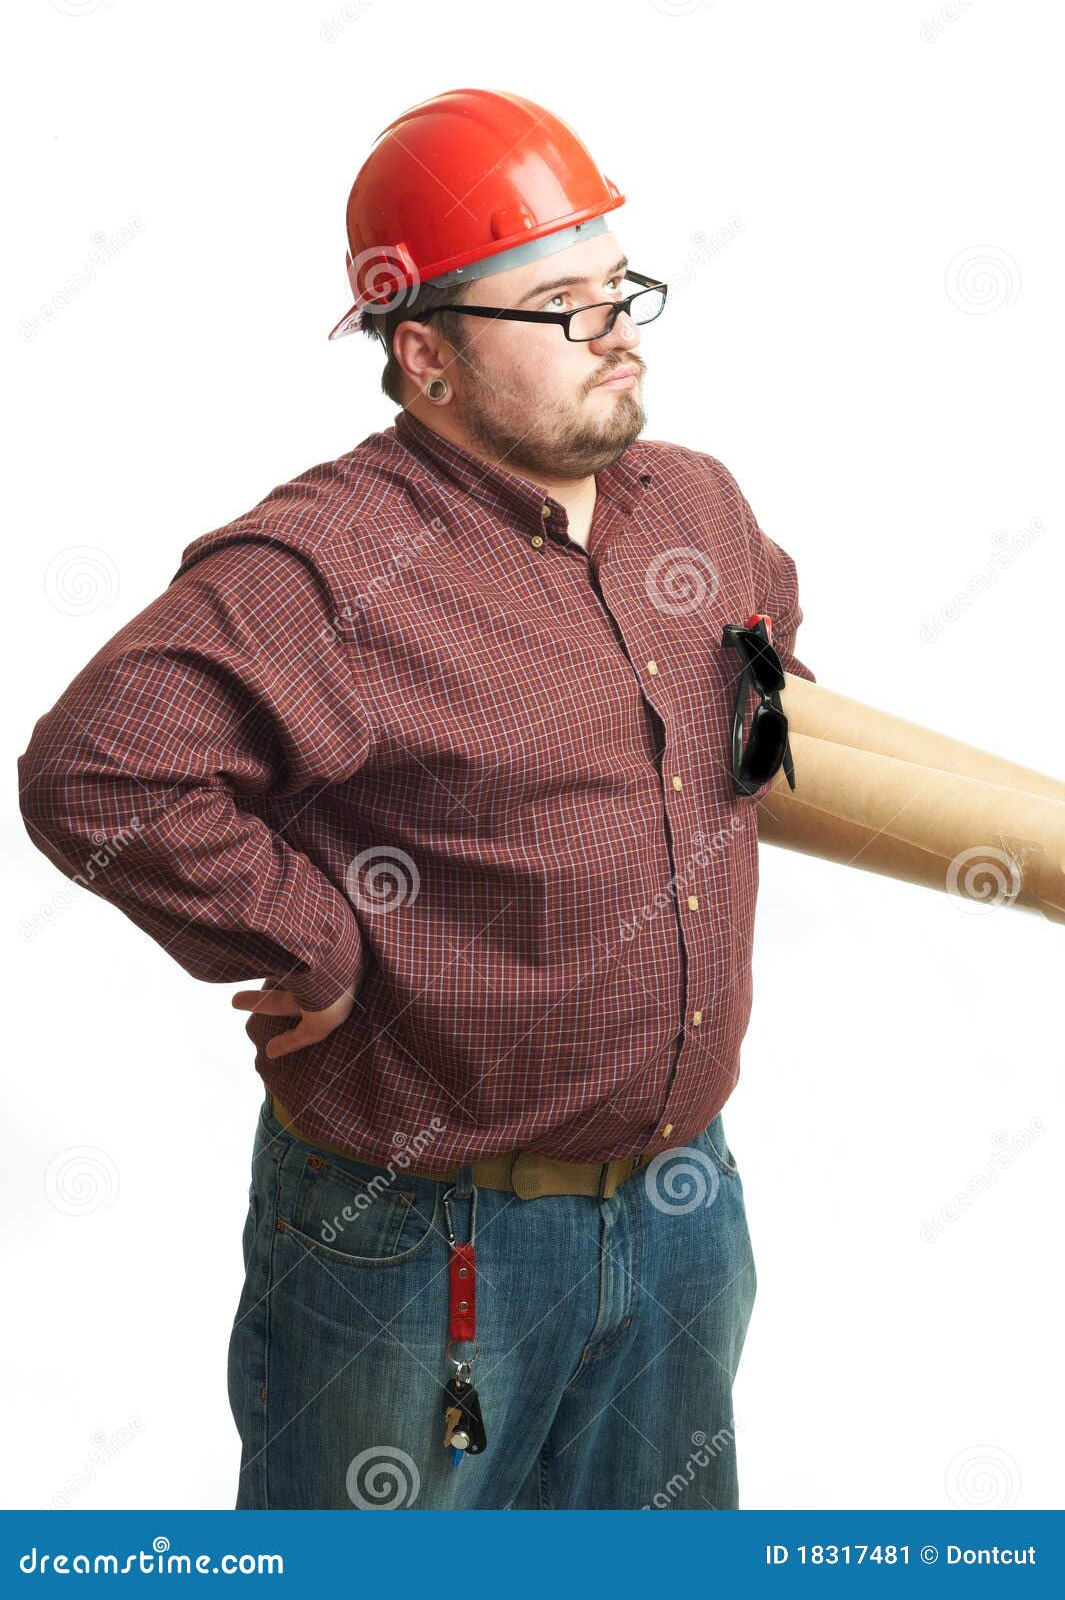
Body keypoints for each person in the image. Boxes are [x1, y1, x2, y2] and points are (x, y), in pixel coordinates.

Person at [17, 88, 816, 1510]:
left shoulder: (695, 511)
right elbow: (98, 767)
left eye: (617, 287)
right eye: (556, 305)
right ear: (425, 355)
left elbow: (768, 711)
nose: (616, 327)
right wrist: (312, 944)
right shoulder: (332, 564)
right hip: (430, 1245)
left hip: (686, 1208)